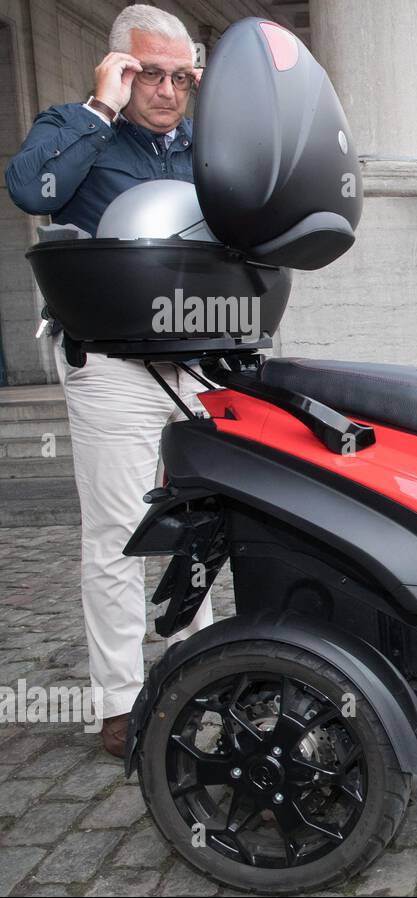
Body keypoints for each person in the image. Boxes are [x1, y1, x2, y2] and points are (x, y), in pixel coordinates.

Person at [5, 4, 212, 757]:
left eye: (179, 76)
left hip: (197, 361)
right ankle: (120, 705)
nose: (165, 90)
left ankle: (207, 672)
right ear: (118, 67)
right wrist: (101, 107)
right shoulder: (74, 125)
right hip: (112, 366)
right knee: (121, 538)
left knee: (208, 525)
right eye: (146, 73)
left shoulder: (204, 146)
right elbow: (33, 190)